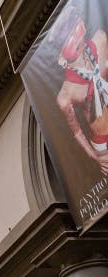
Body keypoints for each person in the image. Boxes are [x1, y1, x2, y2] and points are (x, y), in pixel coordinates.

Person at [55, 13, 108, 175]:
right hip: (103, 140)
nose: (82, 47)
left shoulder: (100, 40)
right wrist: (94, 156)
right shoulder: (65, 95)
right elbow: (77, 131)